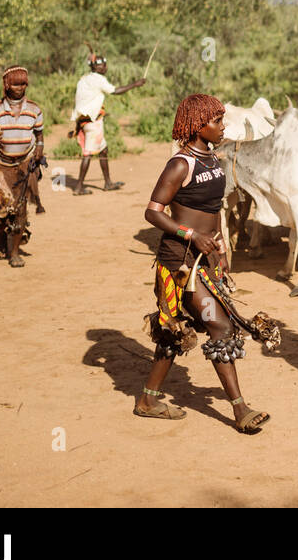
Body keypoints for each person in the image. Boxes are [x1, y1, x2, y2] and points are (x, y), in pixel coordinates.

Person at [137, 94, 277, 431]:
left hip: (208, 260)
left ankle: (148, 398)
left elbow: (215, 211)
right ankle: (240, 408)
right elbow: (152, 212)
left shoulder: (214, 160)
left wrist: (222, 249)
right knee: (220, 325)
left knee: (175, 331)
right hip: (180, 264)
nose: (223, 126)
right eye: (216, 121)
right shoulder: (180, 164)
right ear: (198, 125)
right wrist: (190, 235)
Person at [0, 66, 44, 267]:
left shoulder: (34, 109)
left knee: (20, 209)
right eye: (15, 83)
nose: (20, 87)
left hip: (24, 167)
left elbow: (39, 136)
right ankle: (0, 239)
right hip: (1, 167)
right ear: (7, 84)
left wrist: (39, 152)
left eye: (23, 83)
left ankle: (14, 252)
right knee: (4, 207)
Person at [72, 54, 145, 195]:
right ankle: (79, 187)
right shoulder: (98, 79)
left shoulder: (84, 79)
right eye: (101, 65)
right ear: (94, 66)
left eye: (105, 64)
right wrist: (135, 84)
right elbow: (115, 91)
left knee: (103, 150)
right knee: (87, 154)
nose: (105, 67)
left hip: (84, 121)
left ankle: (108, 183)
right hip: (93, 123)